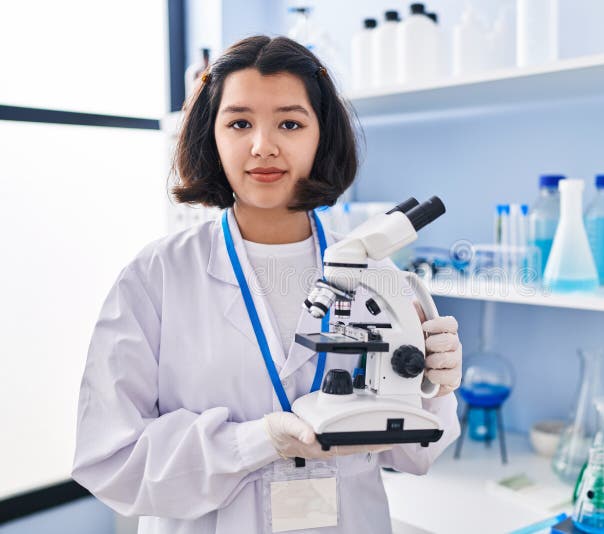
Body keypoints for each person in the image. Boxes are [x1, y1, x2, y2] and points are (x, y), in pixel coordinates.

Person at [71, 35, 462, 533]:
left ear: (322, 136)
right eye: (239, 123)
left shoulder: (377, 276)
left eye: (290, 123)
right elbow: (109, 456)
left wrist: (433, 386)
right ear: (210, 136)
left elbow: (414, 455)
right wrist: (258, 442)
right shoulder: (156, 277)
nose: (263, 146)